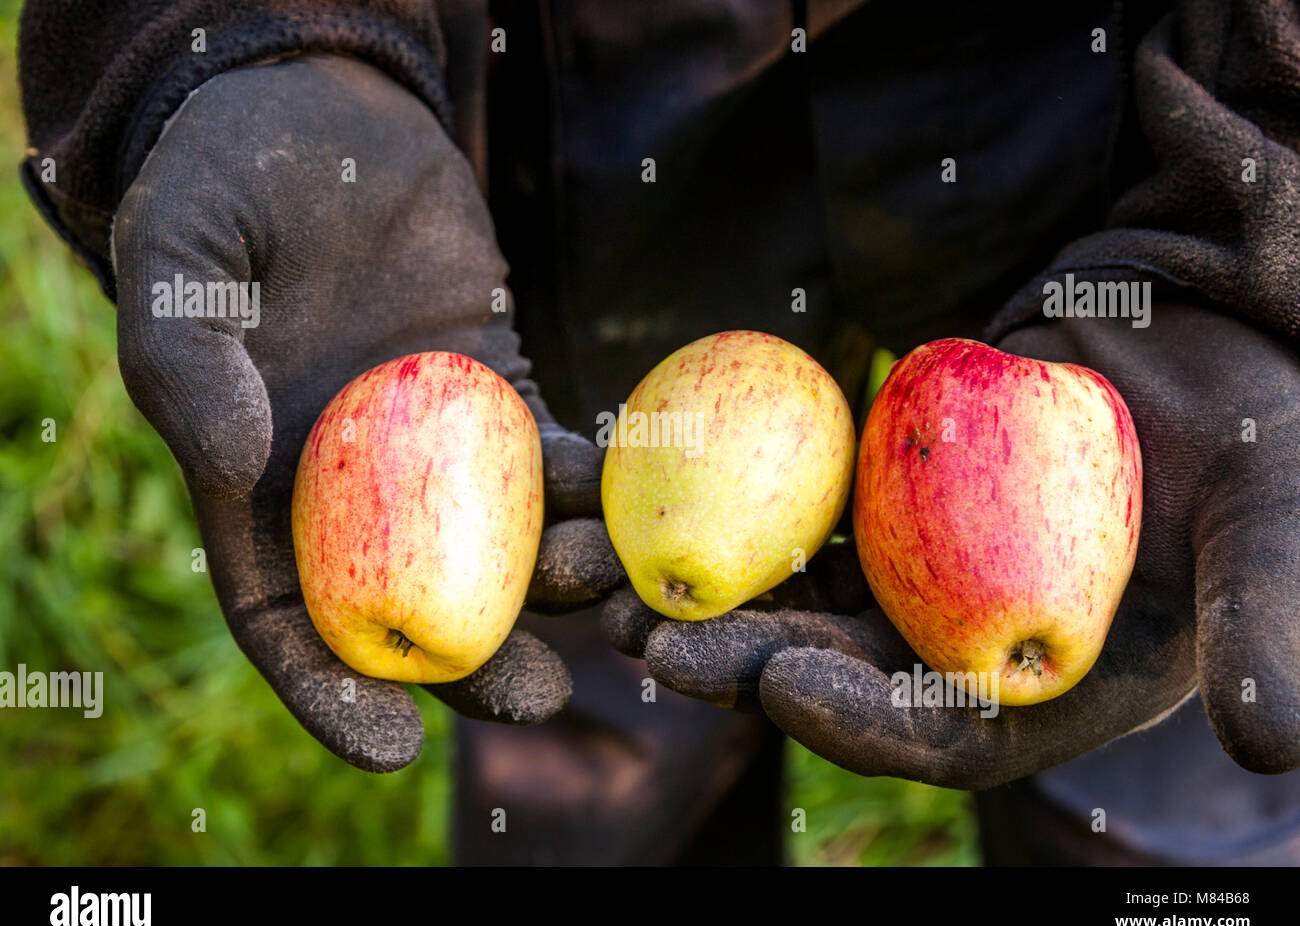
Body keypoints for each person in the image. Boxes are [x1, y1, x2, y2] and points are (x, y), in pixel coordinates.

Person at [17, 0, 1300, 866]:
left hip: (1129, 137)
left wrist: (1267, 221)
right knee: (594, 643)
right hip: (573, 146)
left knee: (1184, 675)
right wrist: (246, 34)